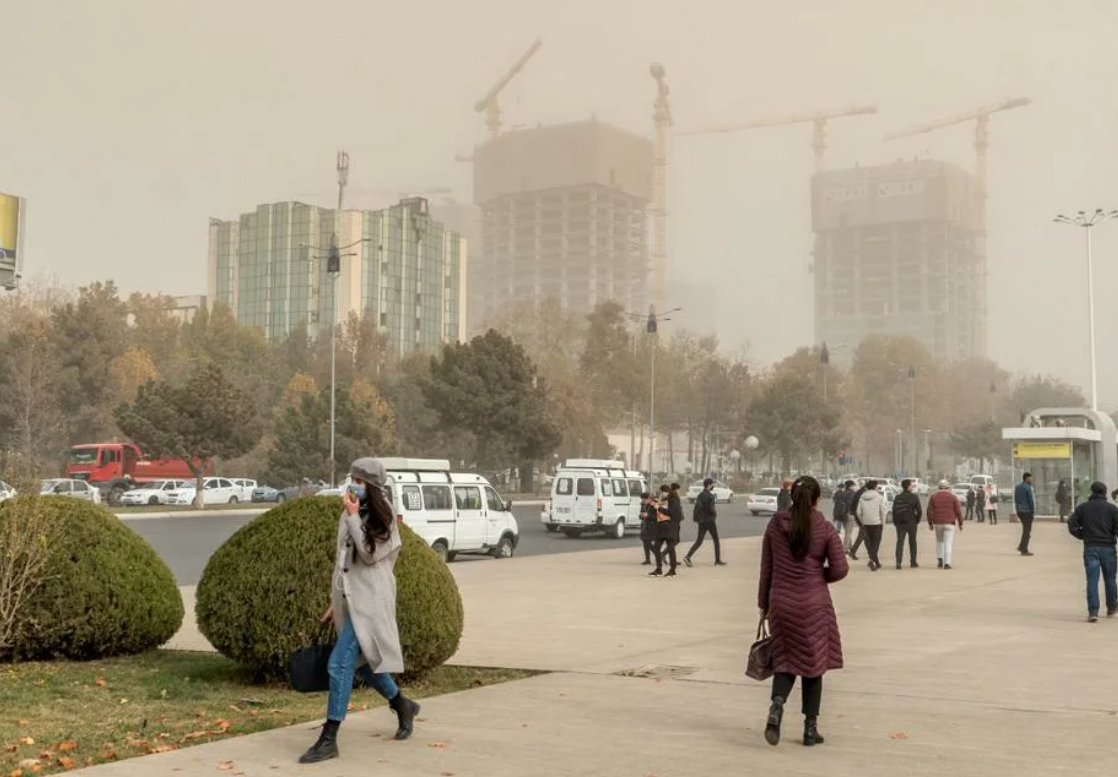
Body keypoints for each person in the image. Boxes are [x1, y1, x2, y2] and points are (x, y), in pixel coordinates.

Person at [299, 458, 420, 764]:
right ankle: (402, 704)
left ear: (374, 487)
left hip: (371, 603)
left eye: (359, 480)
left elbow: (368, 555)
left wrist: (353, 516)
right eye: (352, 478)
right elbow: (344, 561)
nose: (352, 485)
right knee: (366, 664)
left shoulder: (385, 517)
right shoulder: (352, 512)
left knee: (340, 665)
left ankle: (329, 738)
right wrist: (334, 602)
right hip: (351, 600)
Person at [758, 476, 849, 748]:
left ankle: (777, 705)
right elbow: (840, 568)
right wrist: (816, 574)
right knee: (813, 665)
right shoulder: (824, 527)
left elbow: (767, 569)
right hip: (814, 602)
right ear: (815, 499)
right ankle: (810, 730)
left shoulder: (776, 525)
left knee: (785, 659)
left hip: (781, 603)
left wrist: (764, 604)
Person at [1068, 481, 1118, 622]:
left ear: (1092, 492)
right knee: (1110, 579)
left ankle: (1093, 611)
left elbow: (1072, 524)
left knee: (1092, 580)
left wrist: (1082, 535)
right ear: (1105, 492)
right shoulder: (1112, 509)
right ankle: (1112, 608)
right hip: (1108, 548)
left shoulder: (1083, 508)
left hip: (1090, 547)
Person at [685, 478, 725, 567]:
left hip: (702, 521)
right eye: (712, 484)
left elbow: (698, 508)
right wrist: (714, 514)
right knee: (716, 540)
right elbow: (710, 509)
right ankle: (717, 560)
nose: (713, 486)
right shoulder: (710, 496)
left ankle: (688, 556)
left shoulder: (700, 495)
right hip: (710, 521)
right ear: (709, 485)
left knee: (699, 541)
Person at [927, 479, 963, 569]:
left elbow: (929, 511)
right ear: (948, 487)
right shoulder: (953, 497)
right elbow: (958, 511)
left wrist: (930, 523)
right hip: (950, 523)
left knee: (939, 541)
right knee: (948, 543)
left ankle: (940, 559)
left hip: (938, 522)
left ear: (938, 487)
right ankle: (947, 563)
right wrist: (960, 523)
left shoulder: (933, 497)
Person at [855, 479, 887, 571]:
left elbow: (858, 512)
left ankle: (876, 563)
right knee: (875, 544)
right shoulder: (879, 497)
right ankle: (871, 560)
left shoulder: (862, 497)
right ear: (874, 487)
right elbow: (882, 511)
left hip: (866, 523)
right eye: (877, 486)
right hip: (877, 523)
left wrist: (862, 521)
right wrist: (882, 523)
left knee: (869, 544)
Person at [650, 484, 680, 577]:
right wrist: (655, 504)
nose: (662, 494)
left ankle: (673, 570)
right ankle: (659, 569)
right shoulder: (664, 500)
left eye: (663, 492)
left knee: (671, 548)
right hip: (661, 528)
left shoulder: (674, 501)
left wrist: (658, 507)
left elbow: (670, 513)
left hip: (670, 528)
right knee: (656, 547)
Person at [892, 478, 923, 569]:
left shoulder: (898, 497)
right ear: (908, 486)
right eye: (911, 485)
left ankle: (898, 562)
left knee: (900, 542)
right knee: (912, 542)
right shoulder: (914, 497)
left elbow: (894, 511)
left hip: (900, 523)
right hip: (911, 522)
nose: (912, 486)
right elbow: (919, 511)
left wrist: (896, 522)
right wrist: (916, 520)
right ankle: (913, 562)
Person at [1015, 473, 1036, 556]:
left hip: (1020, 511)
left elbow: (1016, 499)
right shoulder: (1028, 487)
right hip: (1027, 511)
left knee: (1025, 529)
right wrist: (1032, 511)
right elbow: (1031, 501)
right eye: (1030, 478)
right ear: (1026, 478)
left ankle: (1021, 546)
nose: (1032, 479)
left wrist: (1017, 508)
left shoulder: (1018, 487)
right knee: (1027, 531)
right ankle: (1024, 549)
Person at [847, 481, 867, 561]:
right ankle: (852, 551)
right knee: (863, 533)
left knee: (865, 533)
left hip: (856, 514)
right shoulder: (862, 494)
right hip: (860, 515)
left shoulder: (858, 492)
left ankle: (871, 552)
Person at [832, 481, 854, 548]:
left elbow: (836, 503)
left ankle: (850, 546)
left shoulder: (841, 493)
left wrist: (835, 515)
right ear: (850, 486)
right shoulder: (851, 494)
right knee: (848, 532)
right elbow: (851, 504)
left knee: (847, 531)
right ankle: (845, 548)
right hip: (848, 514)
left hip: (841, 514)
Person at [639, 491, 657, 565]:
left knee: (648, 542)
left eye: (644, 500)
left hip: (652, 526)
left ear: (649, 499)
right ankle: (647, 559)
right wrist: (641, 515)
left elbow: (657, 517)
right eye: (642, 500)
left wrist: (648, 516)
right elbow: (640, 515)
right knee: (645, 542)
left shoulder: (655, 505)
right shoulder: (643, 505)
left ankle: (658, 555)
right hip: (644, 526)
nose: (643, 502)